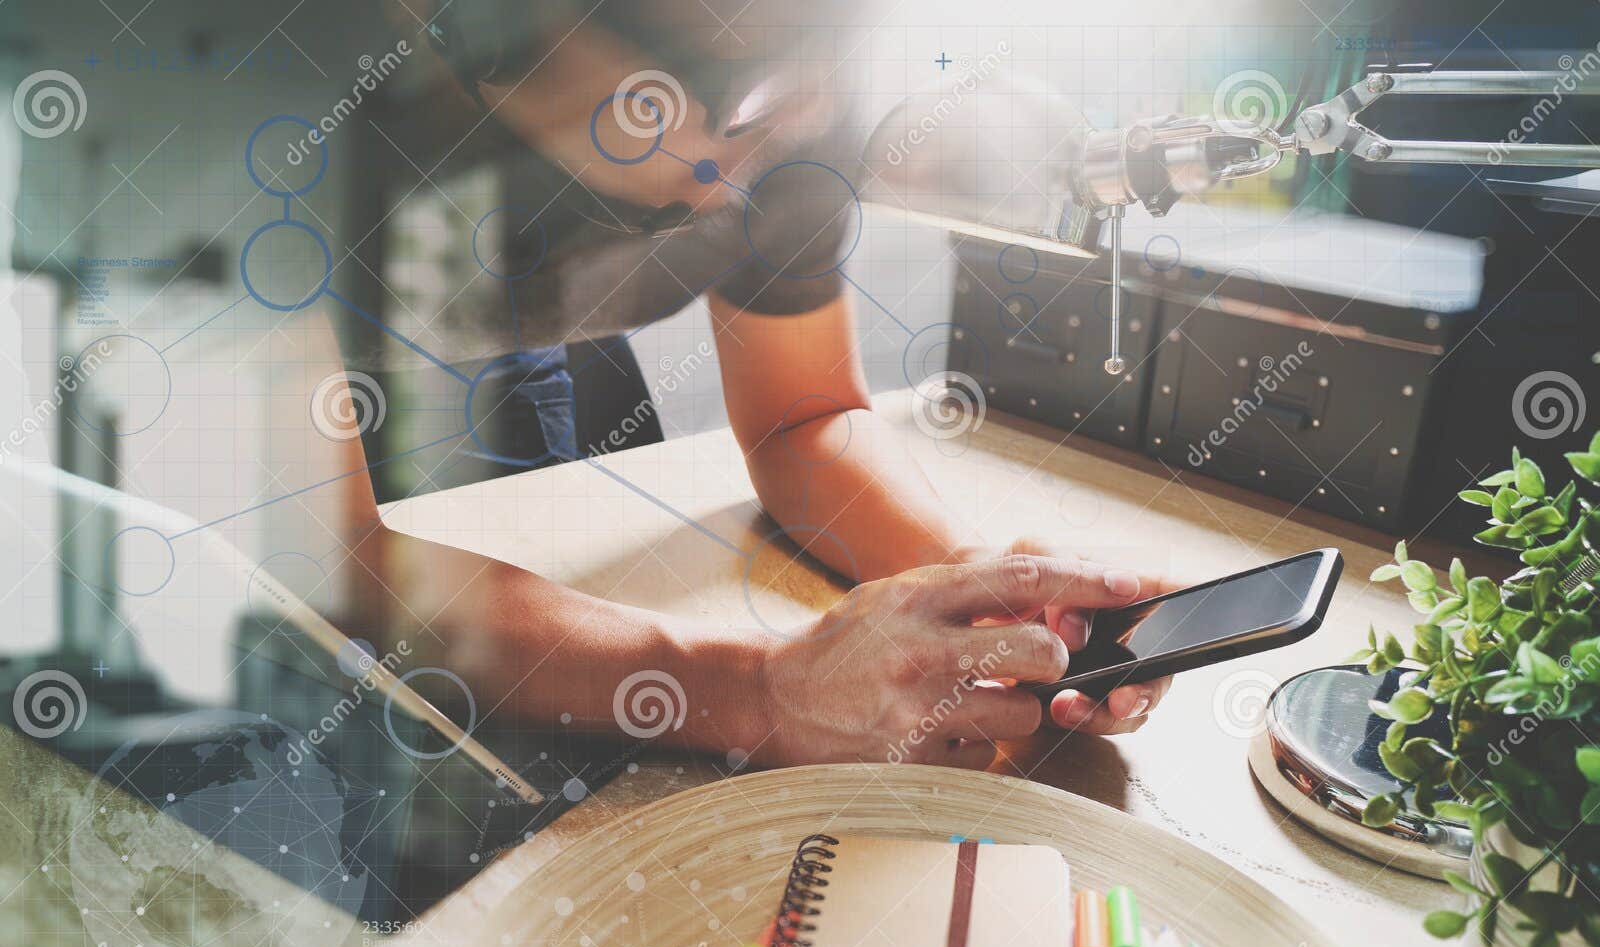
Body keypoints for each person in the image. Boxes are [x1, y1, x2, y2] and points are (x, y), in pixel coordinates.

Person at [312, 0, 1177, 771]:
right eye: (729, 97)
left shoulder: (795, 109)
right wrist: (754, 691)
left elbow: (803, 417)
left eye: (815, 75)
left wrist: (970, 585)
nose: (783, 143)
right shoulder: (274, 98)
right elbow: (324, 561)